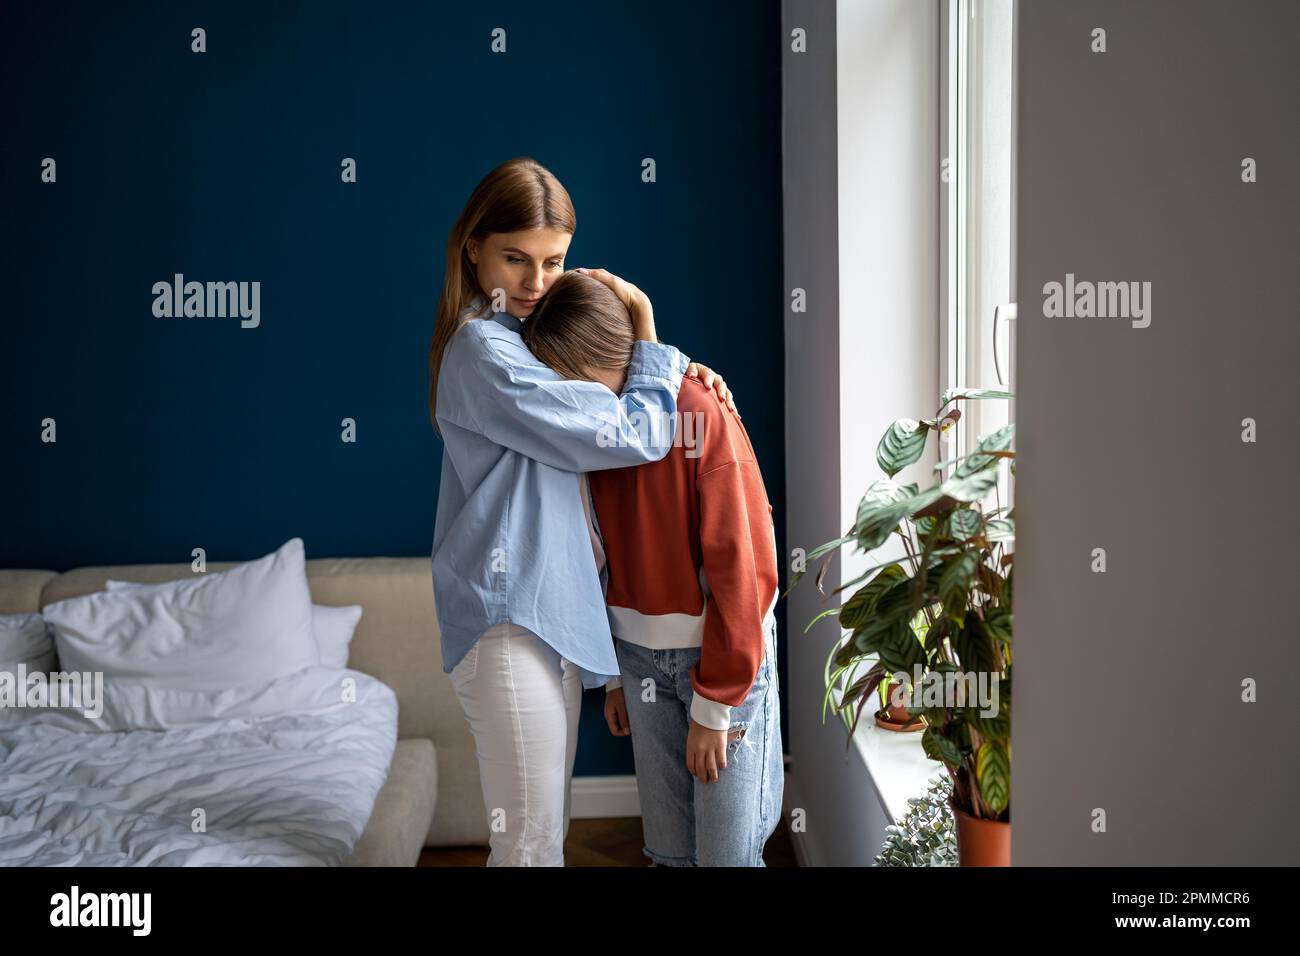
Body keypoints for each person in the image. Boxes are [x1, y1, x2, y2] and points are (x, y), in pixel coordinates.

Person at [428, 157, 736, 866]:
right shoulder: (481, 350)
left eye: (553, 260)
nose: (536, 282)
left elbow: (613, 393)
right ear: (472, 247)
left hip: (547, 618)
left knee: (540, 837)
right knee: (530, 844)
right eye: (515, 258)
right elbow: (626, 433)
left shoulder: (527, 340)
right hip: (509, 620)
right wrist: (651, 331)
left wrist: (681, 373)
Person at [521, 270, 783, 867]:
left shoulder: (699, 411)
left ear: (607, 359)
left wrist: (716, 705)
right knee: (668, 853)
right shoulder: (587, 436)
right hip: (638, 663)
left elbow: (743, 568)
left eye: (573, 383)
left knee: (728, 858)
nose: (567, 403)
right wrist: (613, 675)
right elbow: (592, 556)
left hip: (720, 662)